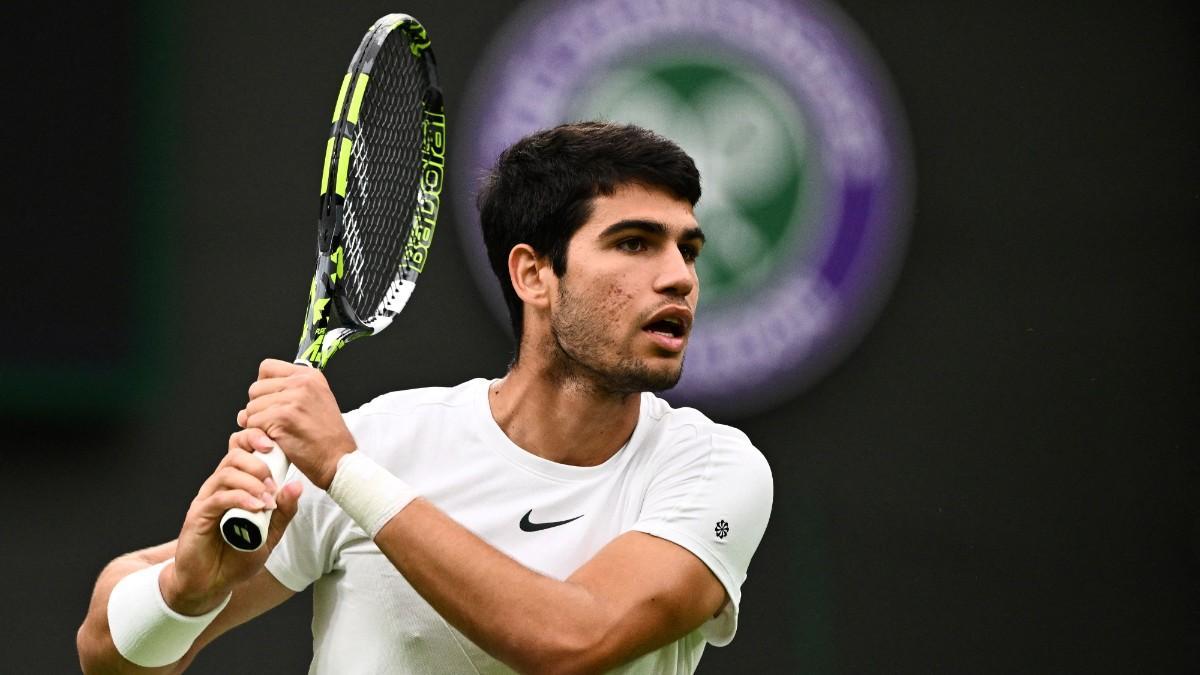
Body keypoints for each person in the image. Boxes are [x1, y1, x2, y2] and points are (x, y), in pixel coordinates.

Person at [77, 121, 774, 674]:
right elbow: (108, 656)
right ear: (534, 275)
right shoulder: (383, 441)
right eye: (634, 244)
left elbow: (573, 640)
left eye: (688, 250)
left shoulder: (710, 469)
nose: (679, 278)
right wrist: (183, 593)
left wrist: (346, 472)